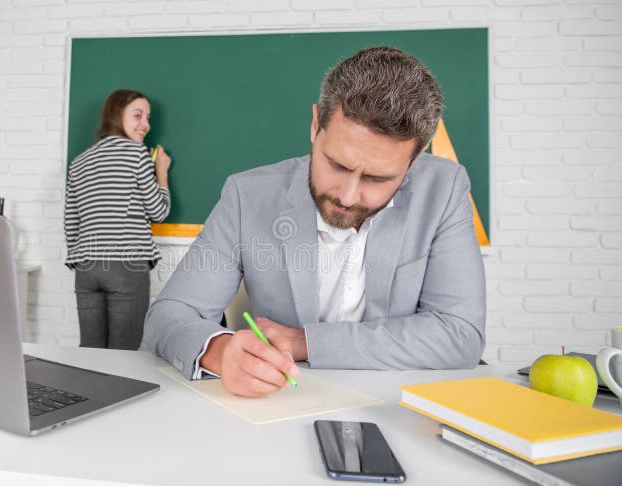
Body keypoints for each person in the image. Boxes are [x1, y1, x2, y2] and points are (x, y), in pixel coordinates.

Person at [143, 47, 486, 397]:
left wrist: (305, 342)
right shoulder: (247, 195)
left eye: (378, 179)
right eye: (337, 165)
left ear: (412, 164)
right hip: (283, 404)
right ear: (314, 125)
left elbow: (460, 334)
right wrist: (219, 352)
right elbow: (169, 314)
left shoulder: (444, 188)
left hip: (399, 405)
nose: (349, 196)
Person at [65, 89, 171, 350]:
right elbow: (158, 211)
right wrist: (162, 172)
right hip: (126, 264)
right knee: (124, 353)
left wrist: (85, 256)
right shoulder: (137, 155)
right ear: (116, 115)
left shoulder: (78, 162)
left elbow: (71, 223)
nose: (145, 124)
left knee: (91, 350)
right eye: (138, 115)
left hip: (86, 268)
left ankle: (88, 393)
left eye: (148, 117)